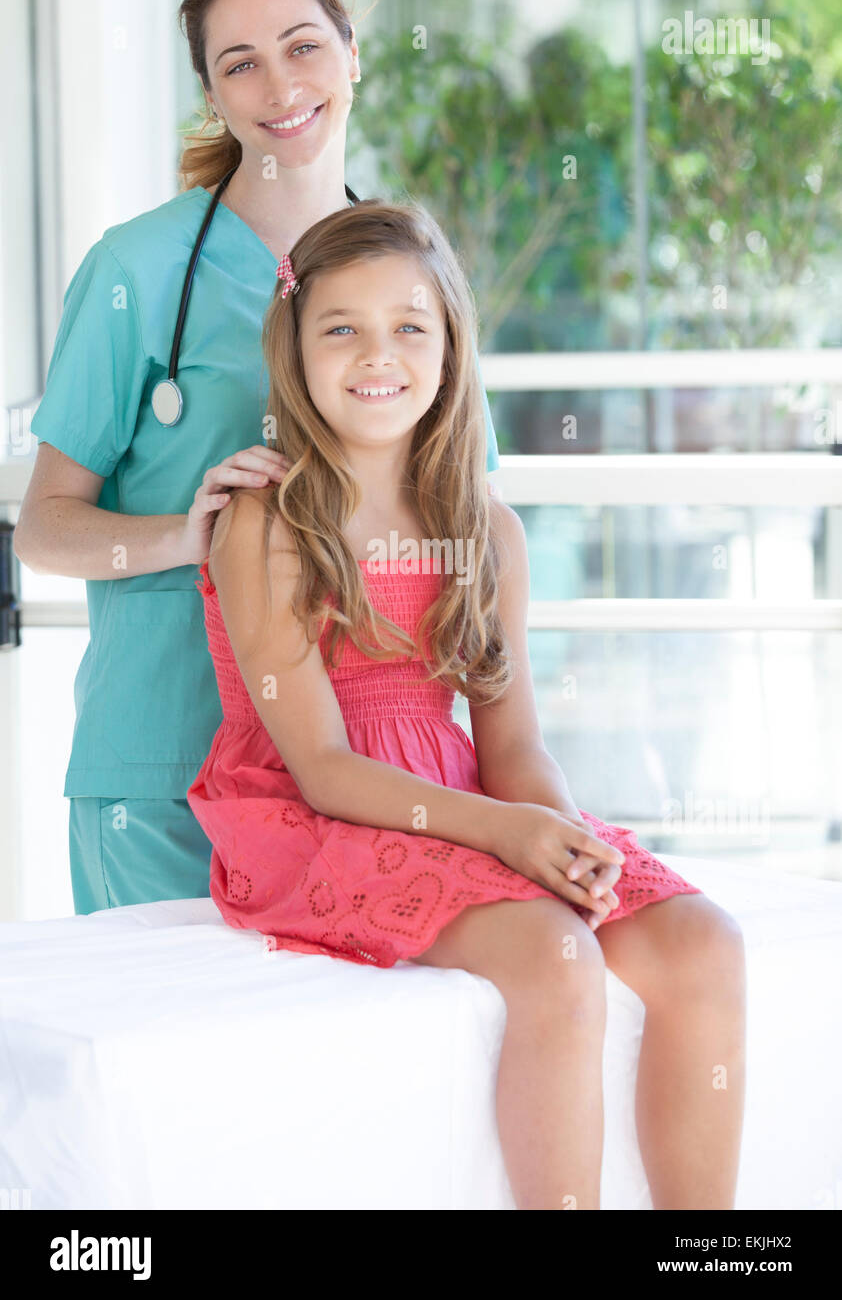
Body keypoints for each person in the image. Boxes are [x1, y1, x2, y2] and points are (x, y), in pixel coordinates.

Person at [186, 198, 747, 1212]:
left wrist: (558, 833)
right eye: (340, 328)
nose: (377, 353)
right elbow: (321, 767)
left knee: (706, 942)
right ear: (295, 348)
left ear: (448, 344)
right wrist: (507, 833)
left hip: (460, 797)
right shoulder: (265, 521)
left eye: (409, 325)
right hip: (309, 815)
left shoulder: (486, 530)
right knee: (552, 951)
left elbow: (513, 741)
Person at [13, 0, 500, 915]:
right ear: (213, 93)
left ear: (352, 52)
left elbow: (466, 505)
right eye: (240, 62)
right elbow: (44, 525)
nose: (280, 83)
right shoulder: (136, 272)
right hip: (163, 775)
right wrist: (178, 537)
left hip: (363, 786)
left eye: (303, 46)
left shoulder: (410, 270)